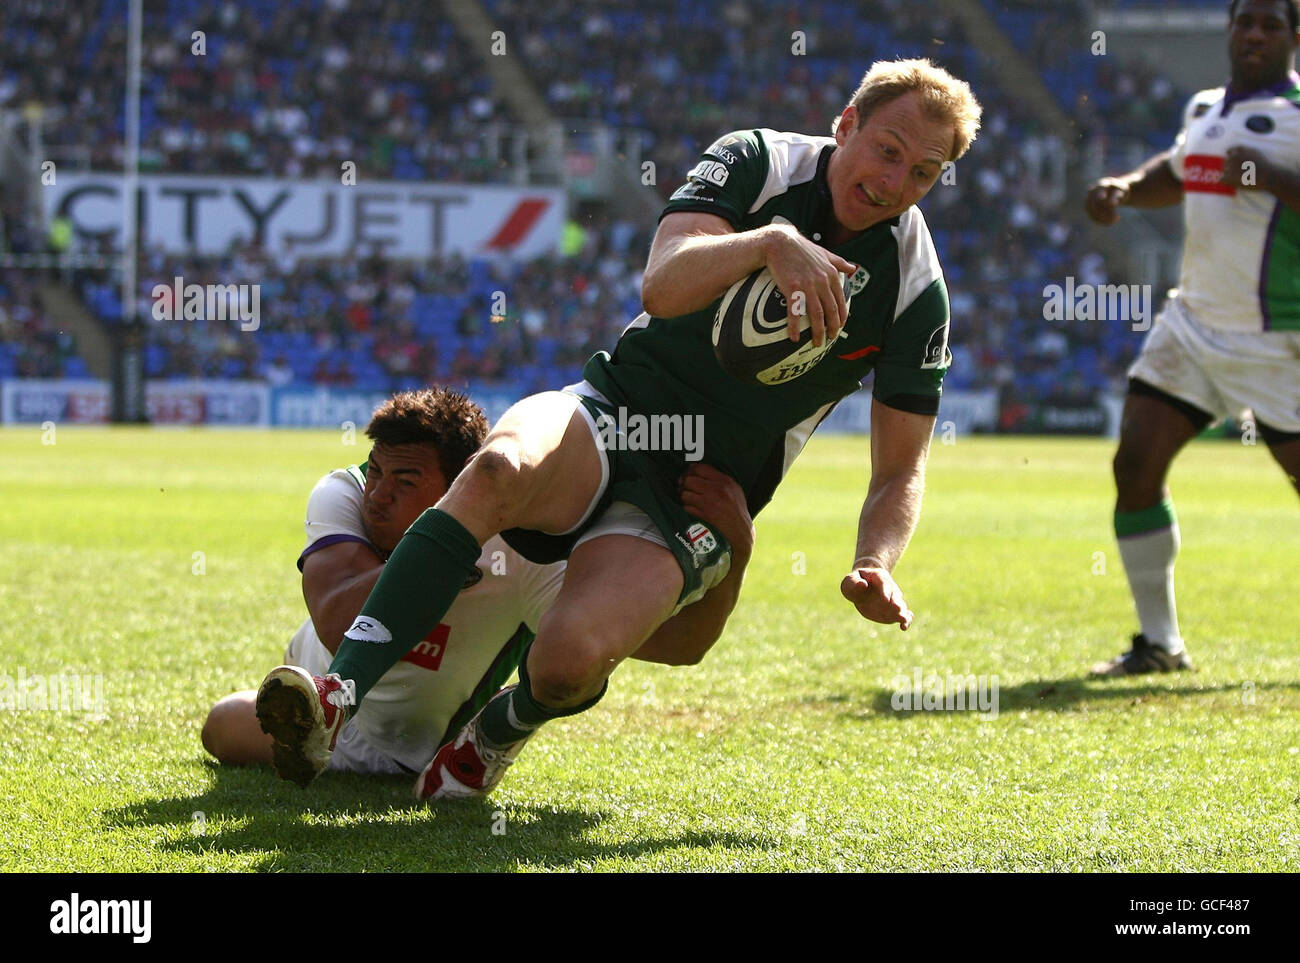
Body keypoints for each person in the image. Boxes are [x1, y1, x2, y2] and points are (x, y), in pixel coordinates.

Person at [266, 57, 981, 801]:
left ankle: (497, 732)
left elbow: (901, 467)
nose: (895, 181)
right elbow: (662, 283)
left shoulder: (914, 289)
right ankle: (334, 693)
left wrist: (877, 559)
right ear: (845, 126)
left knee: (566, 661)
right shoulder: (757, 160)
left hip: (699, 489)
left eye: (924, 173)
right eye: (888, 150)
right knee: (496, 470)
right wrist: (769, 241)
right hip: (614, 410)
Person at [203, 387, 754, 785]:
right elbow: (331, 616)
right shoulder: (340, 493)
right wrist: (438, 565)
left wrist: (739, 548)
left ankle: (495, 733)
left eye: (406, 480)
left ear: (461, 486)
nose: (377, 494)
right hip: (323, 714)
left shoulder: (519, 553)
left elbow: (681, 647)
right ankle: (315, 715)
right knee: (221, 728)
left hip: (421, 756)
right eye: (376, 471)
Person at [1084, 0, 1300, 677]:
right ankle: (1161, 643)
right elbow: (1178, 174)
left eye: (1271, 23)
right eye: (1245, 21)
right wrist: (1124, 188)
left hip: (1275, 342)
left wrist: (1267, 175)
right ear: (1229, 29)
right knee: (1135, 466)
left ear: (1295, 36)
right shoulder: (1206, 107)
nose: (1255, 34)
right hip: (1192, 326)